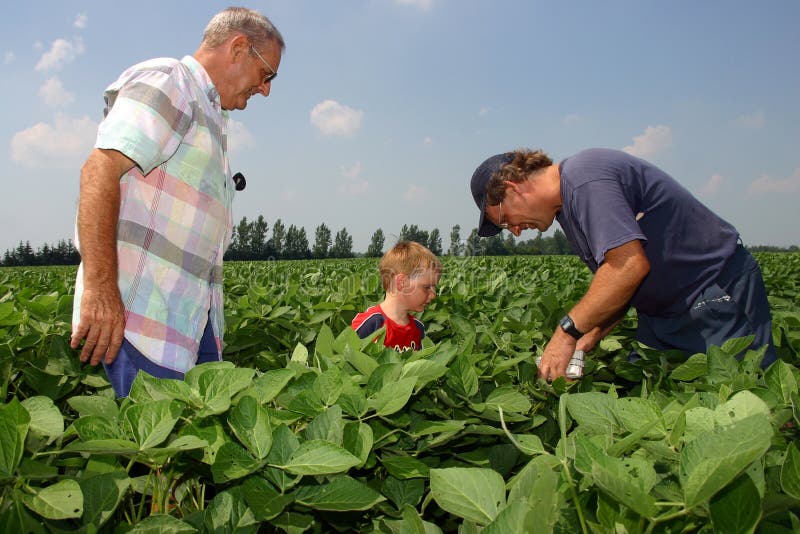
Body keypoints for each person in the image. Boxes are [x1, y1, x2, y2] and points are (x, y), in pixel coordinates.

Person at [70, 7, 285, 397]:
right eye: (266, 74)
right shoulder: (172, 82)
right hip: (142, 323)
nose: (265, 88)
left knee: (183, 453)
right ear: (238, 48)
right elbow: (99, 170)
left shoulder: (210, 114)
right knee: (152, 451)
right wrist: (100, 288)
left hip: (186, 325)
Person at [469, 147, 778, 381]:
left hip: (713, 295)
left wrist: (566, 334)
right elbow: (620, 285)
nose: (516, 231)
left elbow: (628, 267)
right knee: (650, 395)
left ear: (512, 188)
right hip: (663, 316)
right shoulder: (567, 209)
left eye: (506, 220)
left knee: (748, 396)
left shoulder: (584, 179)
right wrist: (588, 338)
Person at [352, 241, 442, 352]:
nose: (433, 295)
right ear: (401, 283)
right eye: (427, 287)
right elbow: (346, 359)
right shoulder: (371, 323)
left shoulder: (418, 329)